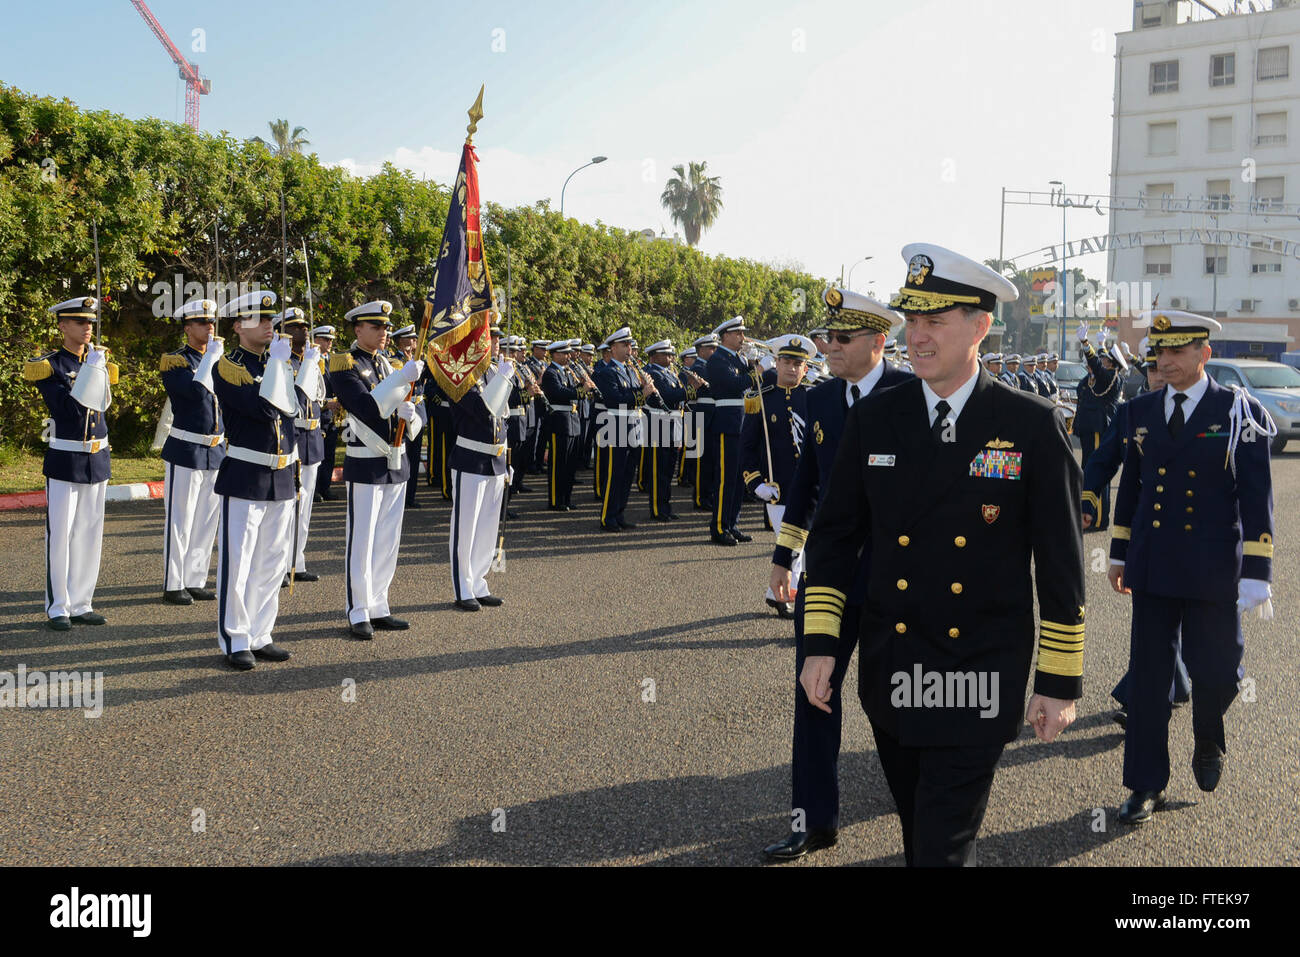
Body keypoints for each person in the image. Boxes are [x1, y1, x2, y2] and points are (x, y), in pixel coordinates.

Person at [800, 244, 1085, 866]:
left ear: (981, 327)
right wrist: (822, 642)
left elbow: (1061, 561)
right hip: (895, 668)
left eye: (936, 321)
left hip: (979, 671)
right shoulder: (876, 418)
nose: (918, 336)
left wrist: (1059, 681)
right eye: (913, 320)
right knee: (918, 832)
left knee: (939, 847)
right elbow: (835, 535)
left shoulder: (1031, 425)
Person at [1108, 310, 1275, 824]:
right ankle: (1144, 784)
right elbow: (1131, 488)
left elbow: (1256, 496)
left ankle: (1208, 737)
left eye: (1178, 351)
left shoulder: (1236, 412)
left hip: (1212, 568)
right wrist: (1118, 551)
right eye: (1161, 351)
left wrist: (1256, 571)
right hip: (1155, 564)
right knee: (1150, 681)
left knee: (1218, 672)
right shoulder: (1139, 410)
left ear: (1205, 355)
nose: (1167, 360)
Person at [762, 293, 912, 860]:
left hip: (895, 575)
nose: (829, 347)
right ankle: (813, 819)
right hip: (829, 575)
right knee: (813, 691)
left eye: (842, 339)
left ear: (878, 343)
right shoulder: (820, 399)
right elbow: (805, 481)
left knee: (898, 695)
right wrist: (783, 553)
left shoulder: (912, 395)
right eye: (829, 337)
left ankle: (923, 809)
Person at [1081, 340, 1190, 727]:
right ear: (1146, 374)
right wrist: (1089, 498)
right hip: (1145, 535)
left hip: (1194, 538)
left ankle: (1171, 684)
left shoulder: (1200, 411)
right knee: (1152, 619)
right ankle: (1146, 698)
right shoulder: (1130, 414)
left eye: (1165, 369)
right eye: (1153, 371)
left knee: (1175, 620)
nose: (1160, 377)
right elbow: (1101, 460)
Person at [210, 290, 296, 670]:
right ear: (237, 326)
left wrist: (284, 366)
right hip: (245, 475)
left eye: (270, 318)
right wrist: (278, 368)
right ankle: (235, 637)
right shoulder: (227, 367)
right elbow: (263, 408)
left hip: (281, 475)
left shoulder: (278, 363)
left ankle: (262, 633)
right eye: (258, 318)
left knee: (272, 561)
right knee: (239, 561)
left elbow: (295, 410)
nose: (267, 324)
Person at [330, 300, 426, 639]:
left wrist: (411, 416)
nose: (385, 332)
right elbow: (367, 408)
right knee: (363, 539)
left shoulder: (388, 364)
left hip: (396, 461)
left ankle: (378, 604)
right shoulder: (345, 364)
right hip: (367, 463)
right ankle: (358, 610)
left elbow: (403, 408)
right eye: (377, 327)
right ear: (359, 330)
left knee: (387, 540)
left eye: (386, 326)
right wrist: (401, 378)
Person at [26, 295, 118, 631]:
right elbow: (69, 410)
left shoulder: (98, 362)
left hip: (98, 457)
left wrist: (95, 367)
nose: (87, 328)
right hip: (66, 458)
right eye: (80, 322)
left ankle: (82, 602)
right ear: (63, 326)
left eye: (90, 322)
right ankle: (58, 606)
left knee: (90, 534)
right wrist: (91, 370)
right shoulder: (49, 366)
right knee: (61, 534)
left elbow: (103, 410)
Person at [158, 297, 224, 605]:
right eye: (202, 322)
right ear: (188, 328)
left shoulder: (221, 359)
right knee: (180, 520)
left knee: (206, 521)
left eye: (211, 321)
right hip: (186, 448)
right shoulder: (176, 361)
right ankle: (174, 583)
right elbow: (194, 394)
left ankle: (195, 578)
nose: (209, 326)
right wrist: (211, 360)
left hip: (216, 450)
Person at [742, 334, 813, 620]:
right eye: (786, 361)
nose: (792, 368)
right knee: (793, 546)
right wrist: (755, 482)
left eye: (798, 364)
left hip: (810, 488)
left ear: (805, 369)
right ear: (777, 363)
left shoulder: (813, 398)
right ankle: (789, 597)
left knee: (802, 546)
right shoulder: (761, 399)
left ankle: (778, 595)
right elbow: (746, 447)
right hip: (778, 488)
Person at [447, 332, 513, 611]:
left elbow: (502, 419)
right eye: (489, 339)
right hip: (471, 459)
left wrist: (507, 457)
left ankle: (479, 582)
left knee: (487, 528)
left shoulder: (494, 372)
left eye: (496, 340)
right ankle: (463, 587)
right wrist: (503, 379)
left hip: (495, 461)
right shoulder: (462, 375)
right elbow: (482, 409)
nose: (495, 344)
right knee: (467, 528)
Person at [591, 327, 658, 531]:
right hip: (616, 426)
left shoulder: (630, 370)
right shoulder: (606, 372)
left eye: (630, 344)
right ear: (613, 348)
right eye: (624, 345)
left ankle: (619, 514)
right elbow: (616, 400)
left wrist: (646, 389)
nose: (629, 348)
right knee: (615, 475)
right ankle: (607, 517)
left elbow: (633, 395)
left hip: (633, 426)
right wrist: (642, 394)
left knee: (628, 474)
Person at [277, 307, 325, 582]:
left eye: (304, 326)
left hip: (312, 441)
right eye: (295, 327)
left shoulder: (310, 360)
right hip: (292, 439)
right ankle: (281, 564)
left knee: (304, 508)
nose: (303, 331)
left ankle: (297, 561)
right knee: (288, 508)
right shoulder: (283, 363)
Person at [703, 317, 753, 546]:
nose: (742, 338)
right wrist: (757, 370)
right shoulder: (717, 359)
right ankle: (720, 527)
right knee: (725, 479)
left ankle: (732, 524)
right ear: (725, 336)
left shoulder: (738, 358)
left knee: (738, 479)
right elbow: (734, 384)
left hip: (741, 423)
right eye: (738, 333)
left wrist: (753, 364)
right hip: (726, 423)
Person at [1073, 323, 1124, 531]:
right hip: (1090, 426)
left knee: (1096, 471)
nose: (1101, 362)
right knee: (1089, 469)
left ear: (1112, 364)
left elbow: (1096, 365)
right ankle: (1090, 514)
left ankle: (1098, 518)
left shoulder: (1111, 377)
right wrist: (1101, 343)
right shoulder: (1104, 376)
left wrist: (1086, 343)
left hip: (1098, 427)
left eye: (1105, 360)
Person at [643, 339, 688, 521]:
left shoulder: (669, 373)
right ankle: (657, 509)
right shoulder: (652, 372)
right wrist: (690, 391)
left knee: (668, 468)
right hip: (658, 423)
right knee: (659, 470)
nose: (670, 357)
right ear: (654, 356)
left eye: (671, 354)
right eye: (666, 354)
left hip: (672, 422)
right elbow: (665, 396)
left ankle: (665, 507)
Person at [541, 339, 583, 510]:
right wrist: (581, 391)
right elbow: (559, 393)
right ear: (556, 354)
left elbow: (572, 391)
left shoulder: (566, 371)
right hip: (559, 421)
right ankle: (555, 500)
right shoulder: (551, 373)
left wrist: (582, 385)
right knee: (558, 463)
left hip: (572, 420)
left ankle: (566, 498)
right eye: (565, 353)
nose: (568, 356)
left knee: (570, 464)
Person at [312, 325, 342, 502]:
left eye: (331, 340)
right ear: (315, 340)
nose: (329, 343)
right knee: (317, 454)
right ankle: (314, 488)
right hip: (318, 412)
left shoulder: (333, 360)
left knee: (329, 452)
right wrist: (325, 404)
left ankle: (325, 487)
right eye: (325, 339)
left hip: (332, 414)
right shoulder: (311, 361)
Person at [690, 333, 718, 510]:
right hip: (702, 415)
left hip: (712, 415)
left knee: (711, 460)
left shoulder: (710, 366)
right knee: (702, 461)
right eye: (711, 348)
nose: (714, 351)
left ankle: (708, 494)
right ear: (701, 350)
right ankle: (700, 498)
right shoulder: (697, 368)